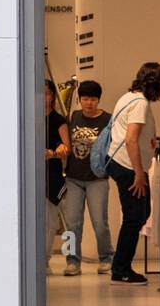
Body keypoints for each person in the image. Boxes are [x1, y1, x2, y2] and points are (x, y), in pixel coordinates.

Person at [105, 62, 160, 285]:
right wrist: (139, 173)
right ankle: (120, 269)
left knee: (138, 214)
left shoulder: (127, 97)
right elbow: (130, 139)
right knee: (134, 216)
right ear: (154, 83)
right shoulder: (140, 103)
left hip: (123, 165)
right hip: (129, 166)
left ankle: (120, 266)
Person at [61, 80, 114, 275]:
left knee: (100, 221)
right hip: (73, 178)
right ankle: (72, 261)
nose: (89, 103)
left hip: (97, 178)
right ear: (79, 99)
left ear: (98, 100)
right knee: (72, 223)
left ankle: (106, 257)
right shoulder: (73, 117)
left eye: (92, 99)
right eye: (85, 99)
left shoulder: (108, 119)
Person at [43, 79, 69, 276]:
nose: (44, 98)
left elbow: (65, 147)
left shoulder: (58, 120)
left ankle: (44, 259)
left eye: (47, 93)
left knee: (50, 220)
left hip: (51, 172)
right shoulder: (27, 116)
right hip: (30, 173)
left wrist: (56, 151)